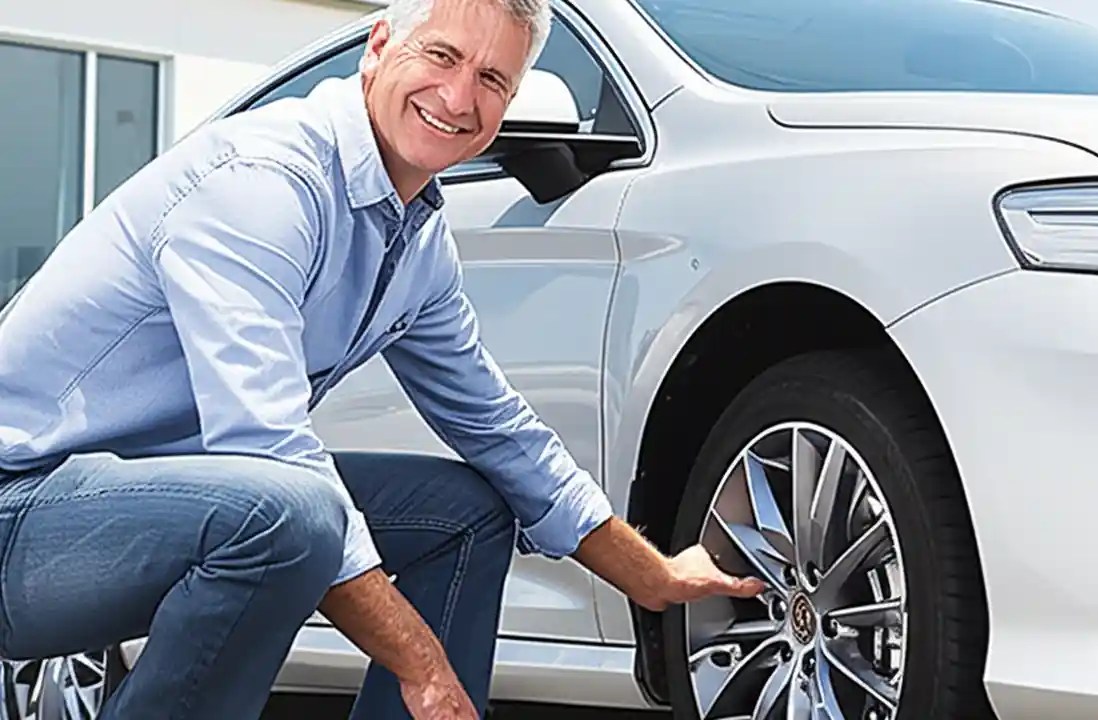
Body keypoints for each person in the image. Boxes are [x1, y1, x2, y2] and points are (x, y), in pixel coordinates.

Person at [0, 0, 766, 717]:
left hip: (147, 503)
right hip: (21, 513)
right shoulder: (264, 186)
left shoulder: (415, 239)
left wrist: (655, 575)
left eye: (493, 79)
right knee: (291, 512)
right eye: (441, 55)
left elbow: (498, 429)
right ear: (377, 48)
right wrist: (422, 667)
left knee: (463, 512)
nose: (460, 97)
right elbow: (266, 447)